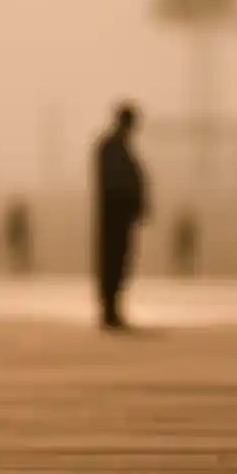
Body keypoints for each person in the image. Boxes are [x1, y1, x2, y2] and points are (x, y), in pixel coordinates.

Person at [94, 103, 147, 329]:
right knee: (112, 262)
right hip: (114, 214)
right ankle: (109, 310)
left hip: (120, 214)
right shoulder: (111, 147)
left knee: (119, 262)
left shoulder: (117, 147)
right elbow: (113, 183)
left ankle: (113, 308)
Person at [5, 197, 32, 276]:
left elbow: (13, 231)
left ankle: (19, 269)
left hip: (17, 238)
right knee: (18, 253)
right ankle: (19, 269)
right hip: (17, 238)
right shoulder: (17, 220)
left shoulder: (18, 220)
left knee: (19, 253)